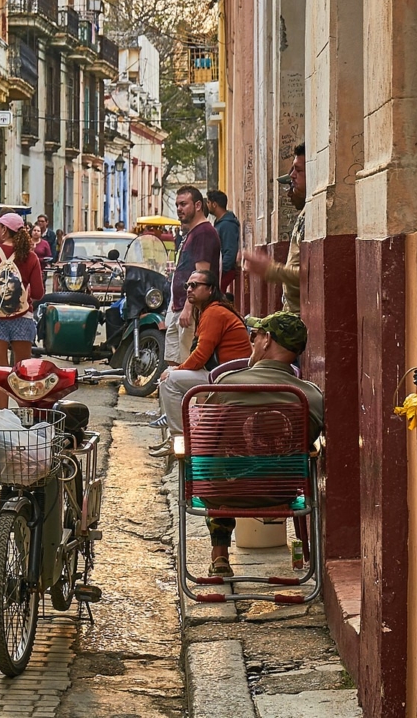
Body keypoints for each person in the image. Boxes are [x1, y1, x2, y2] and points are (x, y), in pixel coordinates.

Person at [196, 311, 323, 577]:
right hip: (281, 494)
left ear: (268, 341)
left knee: (219, 465)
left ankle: (219, 554)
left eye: (256, 336)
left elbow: (203, 443)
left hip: (222, 494)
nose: (252, 342)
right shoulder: (310, 396)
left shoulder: (228, 386)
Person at [151, 270, 251, 451]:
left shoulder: (214, 312)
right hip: (223, 374)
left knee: (169, 381)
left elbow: (200, 356)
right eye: (187, 285)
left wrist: (176, 370)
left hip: (230, 377)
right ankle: (180, 437)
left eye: (195, 285)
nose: (189, 289)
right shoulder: (209, 310)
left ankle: (180, 440)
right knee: (171, 376)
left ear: (211, 289)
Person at [0, 213, 45, 409]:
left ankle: (2, 414)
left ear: (4, 230)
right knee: (23, 370)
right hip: (23, 318)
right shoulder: (31, 257)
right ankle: (24, 413)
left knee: (0, 371)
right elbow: (39, 293)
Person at [242, 144, 305, 315]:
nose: (292, 176)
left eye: (298, 170)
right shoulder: (304, 215)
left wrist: (271, 270)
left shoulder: (313, 216)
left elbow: (311, 276)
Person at [166, 187, 222, 365]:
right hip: (179, 306)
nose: (179, 209)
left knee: (187, 363)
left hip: (190, 309)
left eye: (183, 204)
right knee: (173, 362)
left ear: (198, 205)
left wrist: (188, 308)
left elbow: (202, 275)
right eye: (177, 205)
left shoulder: (203, 233)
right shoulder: (193, 233)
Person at [205, 190, 241, 300]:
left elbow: (230, 250)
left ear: (214, 204)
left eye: (208, 202)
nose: (207, 205)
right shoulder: (220, 223)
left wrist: (222, 271)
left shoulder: (227, 225)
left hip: (223, 272)